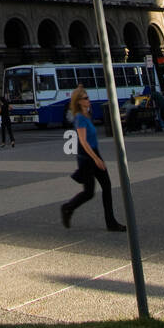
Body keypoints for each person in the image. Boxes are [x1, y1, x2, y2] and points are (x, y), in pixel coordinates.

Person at [61, 86, 126, 232]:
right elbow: (83, 141)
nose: (88, 100)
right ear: (79, 102)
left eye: (87, 97)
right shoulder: (79, 118)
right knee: (89, 192)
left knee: (106, 186)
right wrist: (96, 158)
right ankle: (67, 207)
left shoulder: (87, 115)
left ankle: (111, 222)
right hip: (87, 157)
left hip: (93, 153)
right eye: (85, 98)